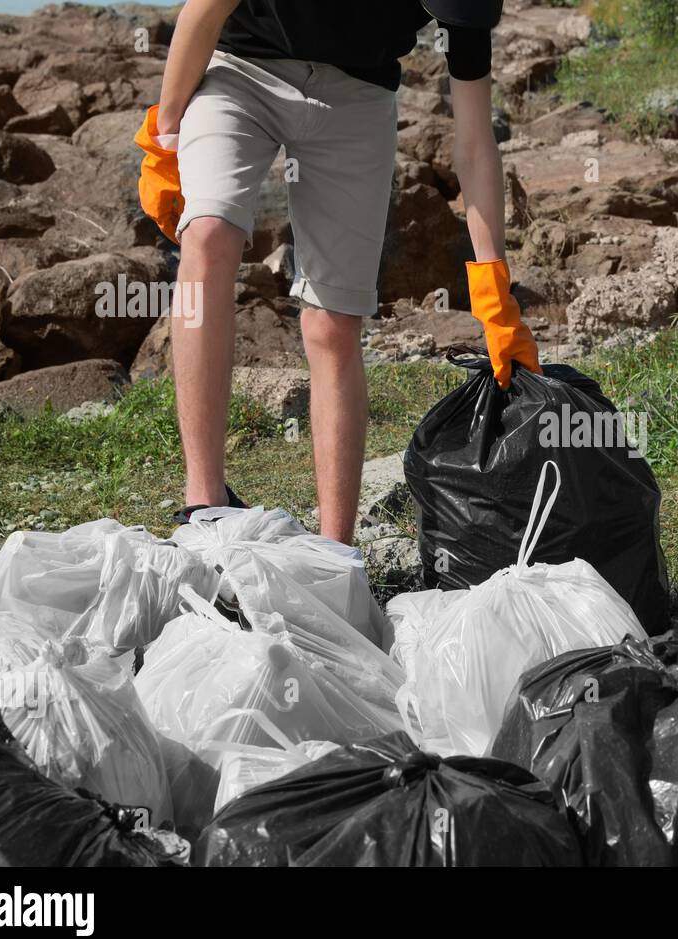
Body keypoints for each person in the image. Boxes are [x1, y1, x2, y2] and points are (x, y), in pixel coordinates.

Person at [135, 0, 541, 544]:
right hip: (240, 69)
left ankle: (335, 550)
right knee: (207, 236)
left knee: (333, 322)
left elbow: (473, 144)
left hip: (357, 95)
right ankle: (204, 503)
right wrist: (166, 135)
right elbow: (204, 9)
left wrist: (494, 291)